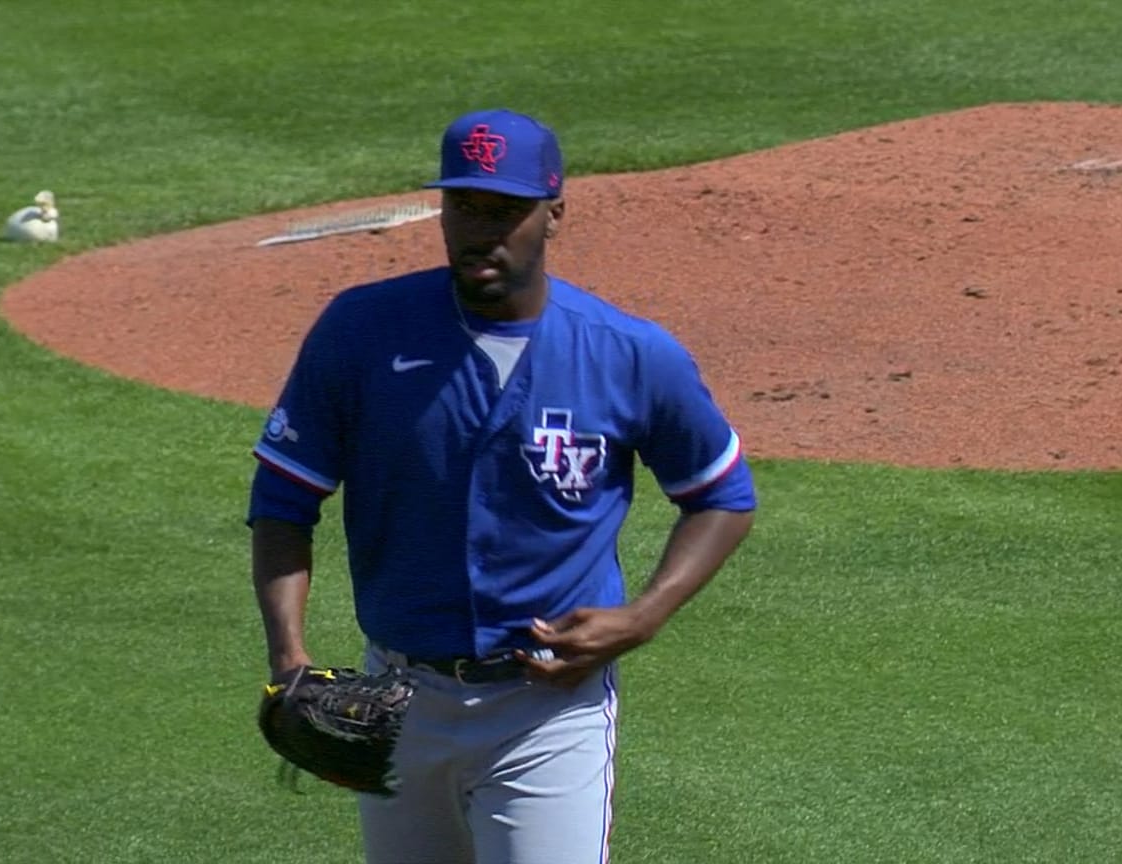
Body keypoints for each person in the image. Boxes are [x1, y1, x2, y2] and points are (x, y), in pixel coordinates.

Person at [247, 108, 758, 864]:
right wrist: (288, 656)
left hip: (547, 709)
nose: (479, 230)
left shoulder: (629, 354)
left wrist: (645, 615)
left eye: (505, 211)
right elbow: (284, 500)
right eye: (463, 207)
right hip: (396, 704)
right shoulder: (361, 332)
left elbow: (720, 495)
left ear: (553, 212)